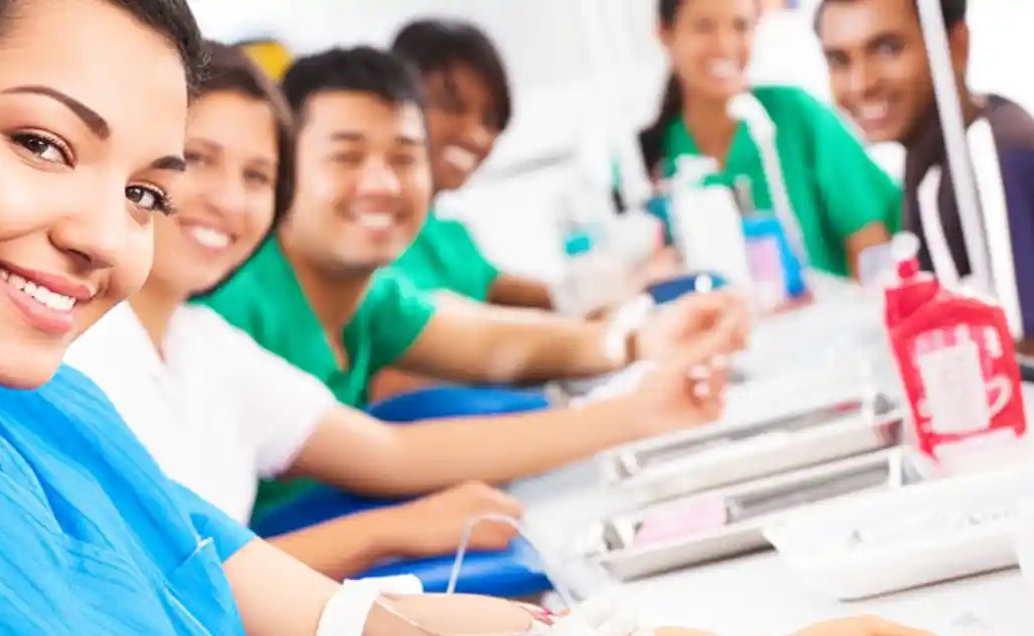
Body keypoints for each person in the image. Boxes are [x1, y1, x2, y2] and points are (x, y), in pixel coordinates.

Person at [0, 0, 993, 636]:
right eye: (42, 144)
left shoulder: (54, 420)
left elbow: (333, 629)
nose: (106, 237)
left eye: (146, 190)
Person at [65, 43, 732, 579]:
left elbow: (394, 449)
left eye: (257, 176)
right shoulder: (81, 348)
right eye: (197, 161)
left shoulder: (200, 340)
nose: (230, 200)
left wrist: (645, 406)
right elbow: (164, 582)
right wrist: (391, 531)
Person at [200, 47, 745, 413]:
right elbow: (383, 454)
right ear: (284, 168)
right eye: (346, 157)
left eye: (404, 157)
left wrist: (643, 338)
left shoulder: (373, 297)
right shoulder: (236, 308)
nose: (382, 184)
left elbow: (499, 344)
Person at [816, 0, 1034, 372]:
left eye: (888, 48)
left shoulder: (1012, 167)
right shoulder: (927, 159)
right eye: (839, 61)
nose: (861, 84)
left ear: (957, 45)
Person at [642, 0, 902, 278]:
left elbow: (871, 244)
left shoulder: (797, 117)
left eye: (740, 26)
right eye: (704, 27)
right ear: (666, 34)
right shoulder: (653, 159)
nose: (725, 44)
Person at [386, 19, 557, 310]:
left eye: (490, 121)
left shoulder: (452, 237)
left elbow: (525, 294)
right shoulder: (371, 231)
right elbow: (431, 325)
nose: (476, 136)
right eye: (451, 106)